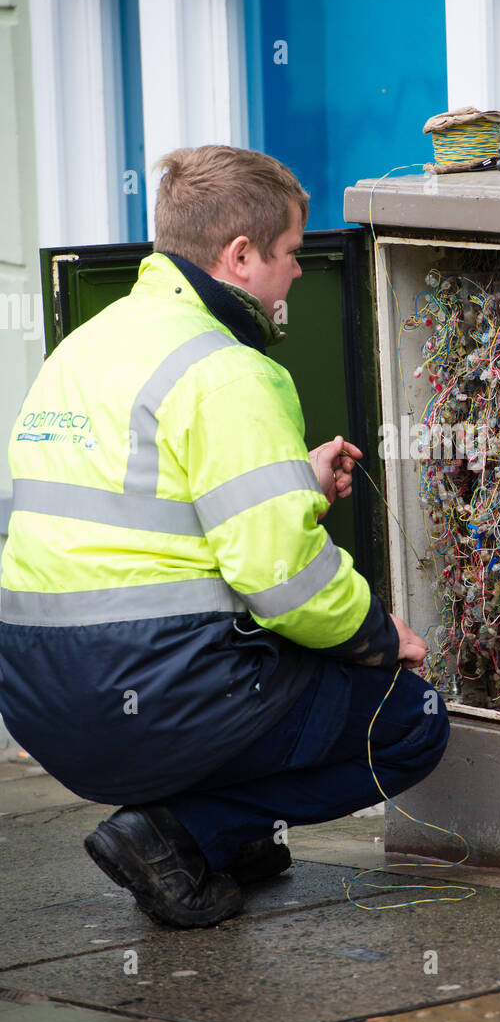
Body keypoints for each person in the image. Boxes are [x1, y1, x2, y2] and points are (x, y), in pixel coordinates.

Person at [0, 145, 447, 928]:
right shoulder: (228, 370)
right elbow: (288, 586)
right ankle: (177, 833)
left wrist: (291, 482)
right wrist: (382, 636)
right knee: (410, 722)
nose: (299, 274)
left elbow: (145, 515)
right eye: (290, 254)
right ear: (239, 256)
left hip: (39, 697)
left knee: (259, 654)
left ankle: (225, 837)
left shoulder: (87, 347)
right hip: (149, 691)